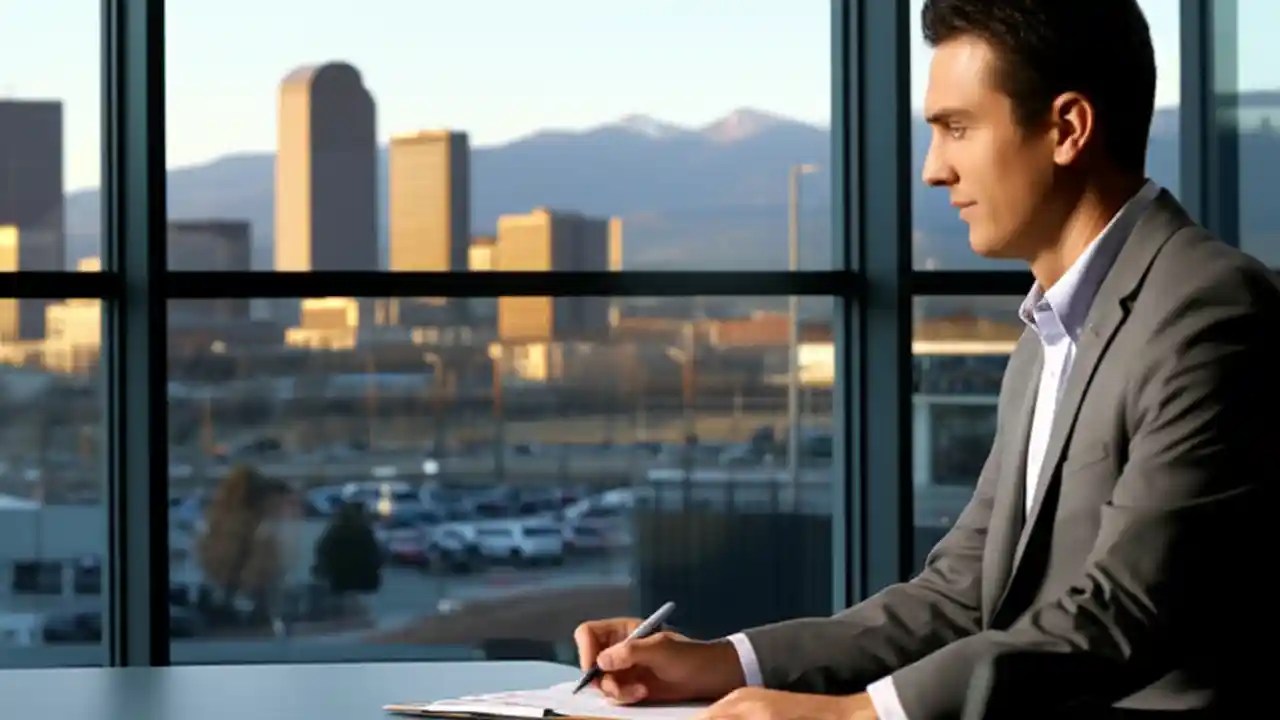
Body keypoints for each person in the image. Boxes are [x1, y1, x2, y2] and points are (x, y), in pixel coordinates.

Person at [573, 1, 1280, 718]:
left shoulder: (1211, 311)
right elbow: (963, 594)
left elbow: (1125, 612)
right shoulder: (1053, 327)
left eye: (957, 128)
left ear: (1067, 128)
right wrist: (719, 663)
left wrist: (859, 716)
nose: (933, 170)